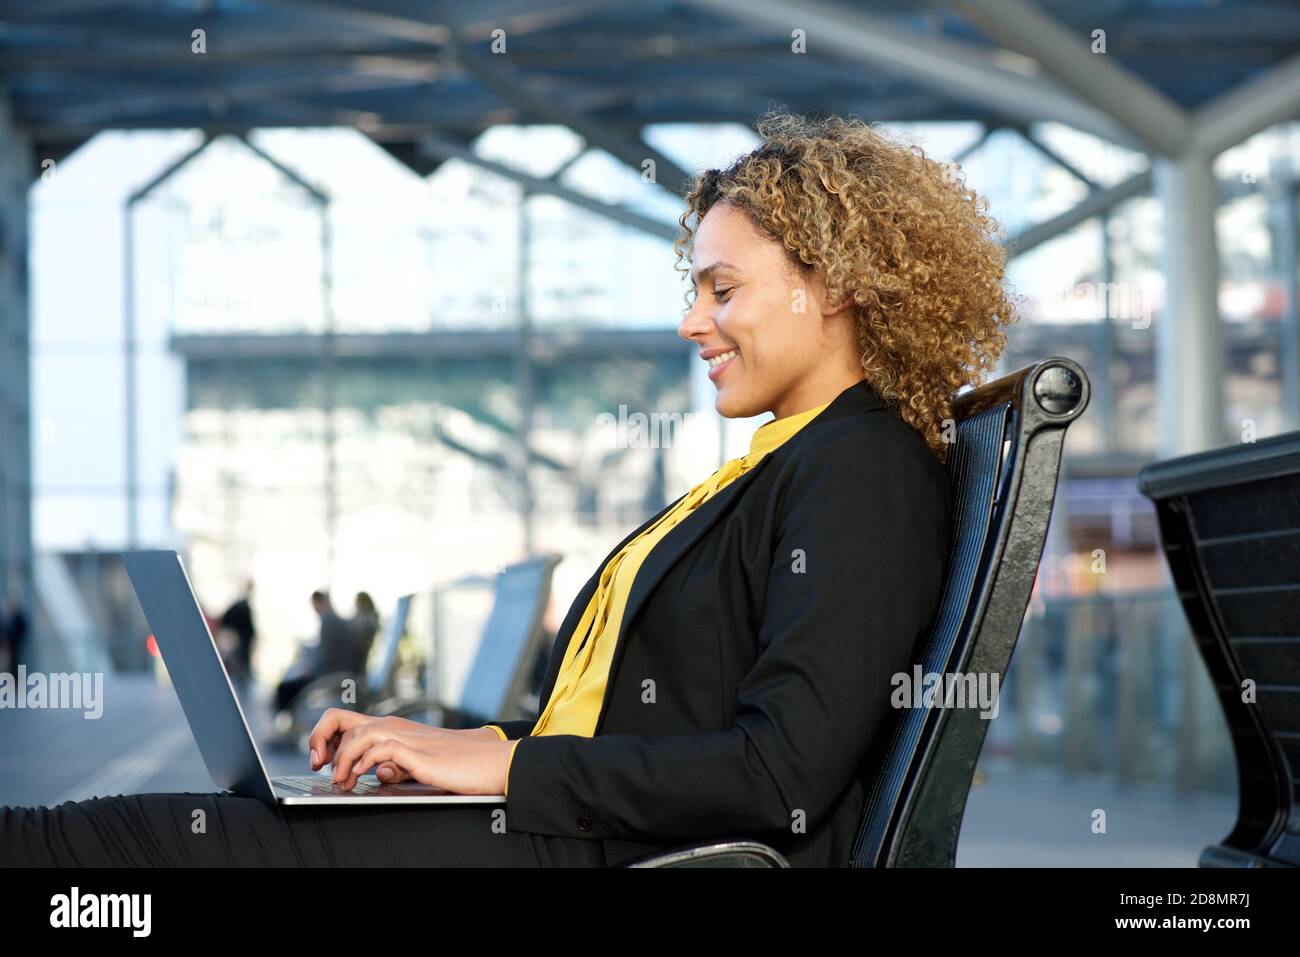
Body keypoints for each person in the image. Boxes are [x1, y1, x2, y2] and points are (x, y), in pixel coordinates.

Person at [0, 110, 1015, 867]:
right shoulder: (786, 463)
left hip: (622, 854)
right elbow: (637, 726)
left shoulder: (863, 470)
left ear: (831, 286)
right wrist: (451, 745)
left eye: (722, 289)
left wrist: (502, 770)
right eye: (691, 290)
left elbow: (779, 775)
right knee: (179, 837)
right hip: (585, 835)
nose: (692, 322)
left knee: (143, 847)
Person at [271, 590, 358, 718]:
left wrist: (308, 668)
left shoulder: (328, 621)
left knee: (284, 688)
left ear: (318, 603)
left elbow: (325, 656)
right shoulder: (337, 621)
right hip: (338, 673)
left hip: (331, 675)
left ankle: (283, 722)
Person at [218, 579, 257, 684]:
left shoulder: (242, 605)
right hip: (242, 638)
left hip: (243, 638)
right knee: (241, 659)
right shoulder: (241, 606)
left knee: (242, 660)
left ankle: (242, 678)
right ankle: (241, 678)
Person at [348, 591, 380, 677]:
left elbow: (357, 639)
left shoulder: (365, 618)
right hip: (361, 658)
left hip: (358, 658)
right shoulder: (371, 617)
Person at [0, 593, 26, 673]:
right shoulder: (5, 618)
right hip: (5, 647)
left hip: (15, 647)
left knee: (14, 666)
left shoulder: (19, 618)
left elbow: (21, 632)